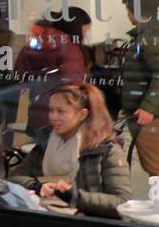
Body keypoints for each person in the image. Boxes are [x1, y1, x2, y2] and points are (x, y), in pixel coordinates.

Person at [9, 84, 133, 218]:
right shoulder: (45, 141)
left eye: (60, 111)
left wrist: (75, 197)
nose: (53, 117)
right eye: (51, 110)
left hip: (87, 223)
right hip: (44, 214)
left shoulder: (106, 149)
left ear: (82, 114)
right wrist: (37, 186)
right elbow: (15, 177)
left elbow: (123, 201)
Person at [119, 0, 159, 176]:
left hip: (152, 115)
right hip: (148, 111)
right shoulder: (148, 36)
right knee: (154, 167)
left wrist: (149, 107)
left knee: (157, 168)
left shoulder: (151, 38)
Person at [14, 7, 91, 146]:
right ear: (76, 27)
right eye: (85, 30)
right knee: (59, 161)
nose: (85, 36)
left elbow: (19, 74)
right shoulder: (70, 48)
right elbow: (73, 86)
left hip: (37, 112)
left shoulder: (35, 43)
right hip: (62, 115)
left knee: (41, 159)